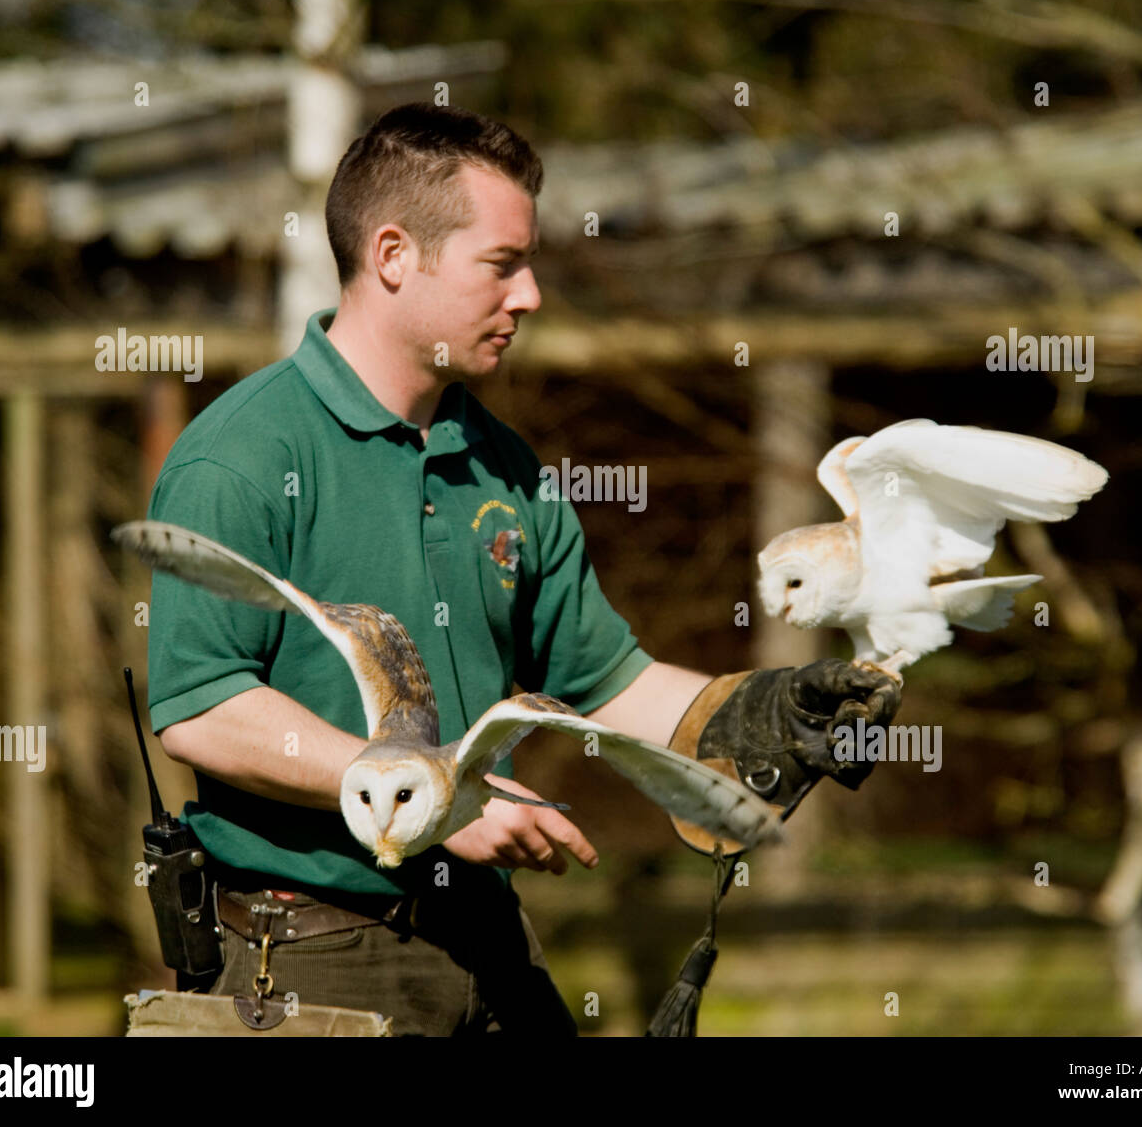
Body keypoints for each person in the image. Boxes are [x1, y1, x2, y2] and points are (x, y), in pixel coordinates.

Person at [143, 103, 900, 1036]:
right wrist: (432, 796)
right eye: (502, 264)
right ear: (392, 255)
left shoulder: (507, 466)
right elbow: (201, 707)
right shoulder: (243, 455)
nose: (532, 293)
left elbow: (604, 679)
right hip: (309, 956)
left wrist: (758, 711)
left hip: (485, 936)